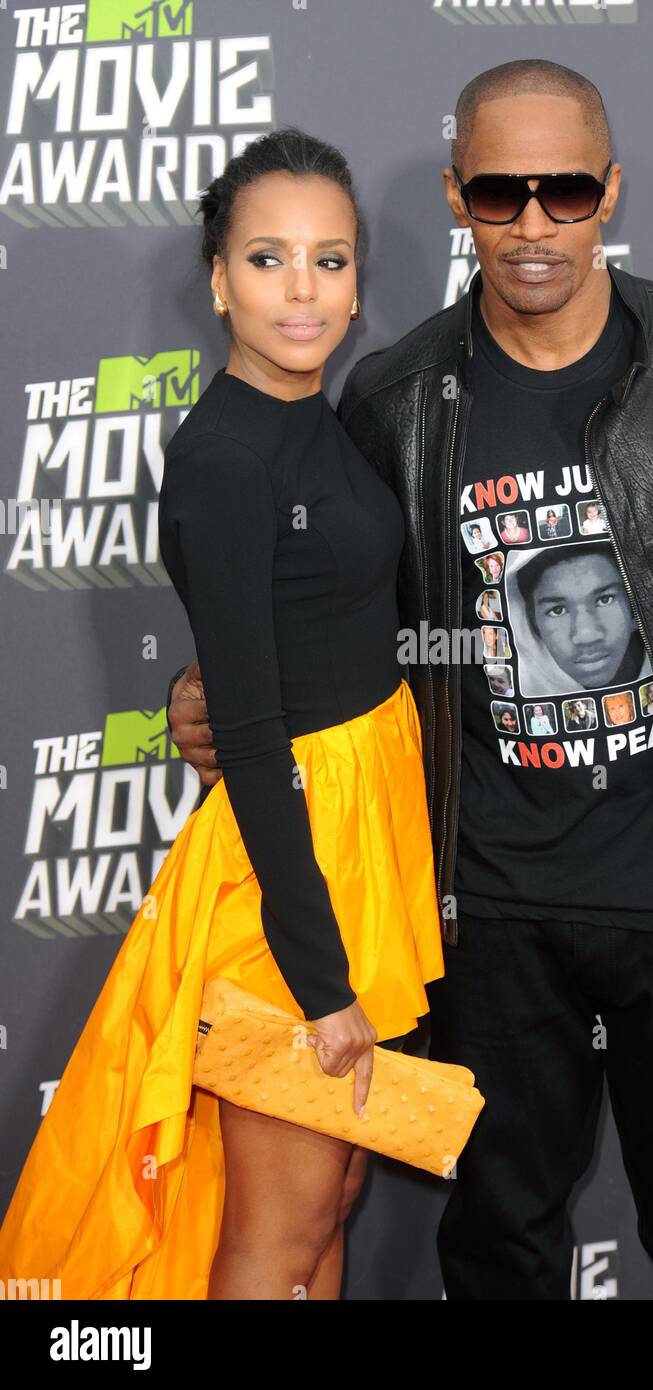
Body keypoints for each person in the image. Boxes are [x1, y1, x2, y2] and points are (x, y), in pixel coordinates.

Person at [168, 60, 653, 1300]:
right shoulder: (393, 398)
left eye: (565, 190)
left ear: (608, 192)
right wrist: (207, 700)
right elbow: (323, 600)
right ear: (457, 193)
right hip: (484, 911)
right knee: (494, 1254)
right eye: (501, 190)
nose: (533, 224)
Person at [0, 128, 445, 1301]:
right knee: (275, 1230)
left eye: (330, 260)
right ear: (216, 279)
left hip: (358, 834)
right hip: (286, 868)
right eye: (267, 258)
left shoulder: (324, 418)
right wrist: (320, 979)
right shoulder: (224, 459)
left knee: (327, 1198)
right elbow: (248, 732)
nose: (302, 289)